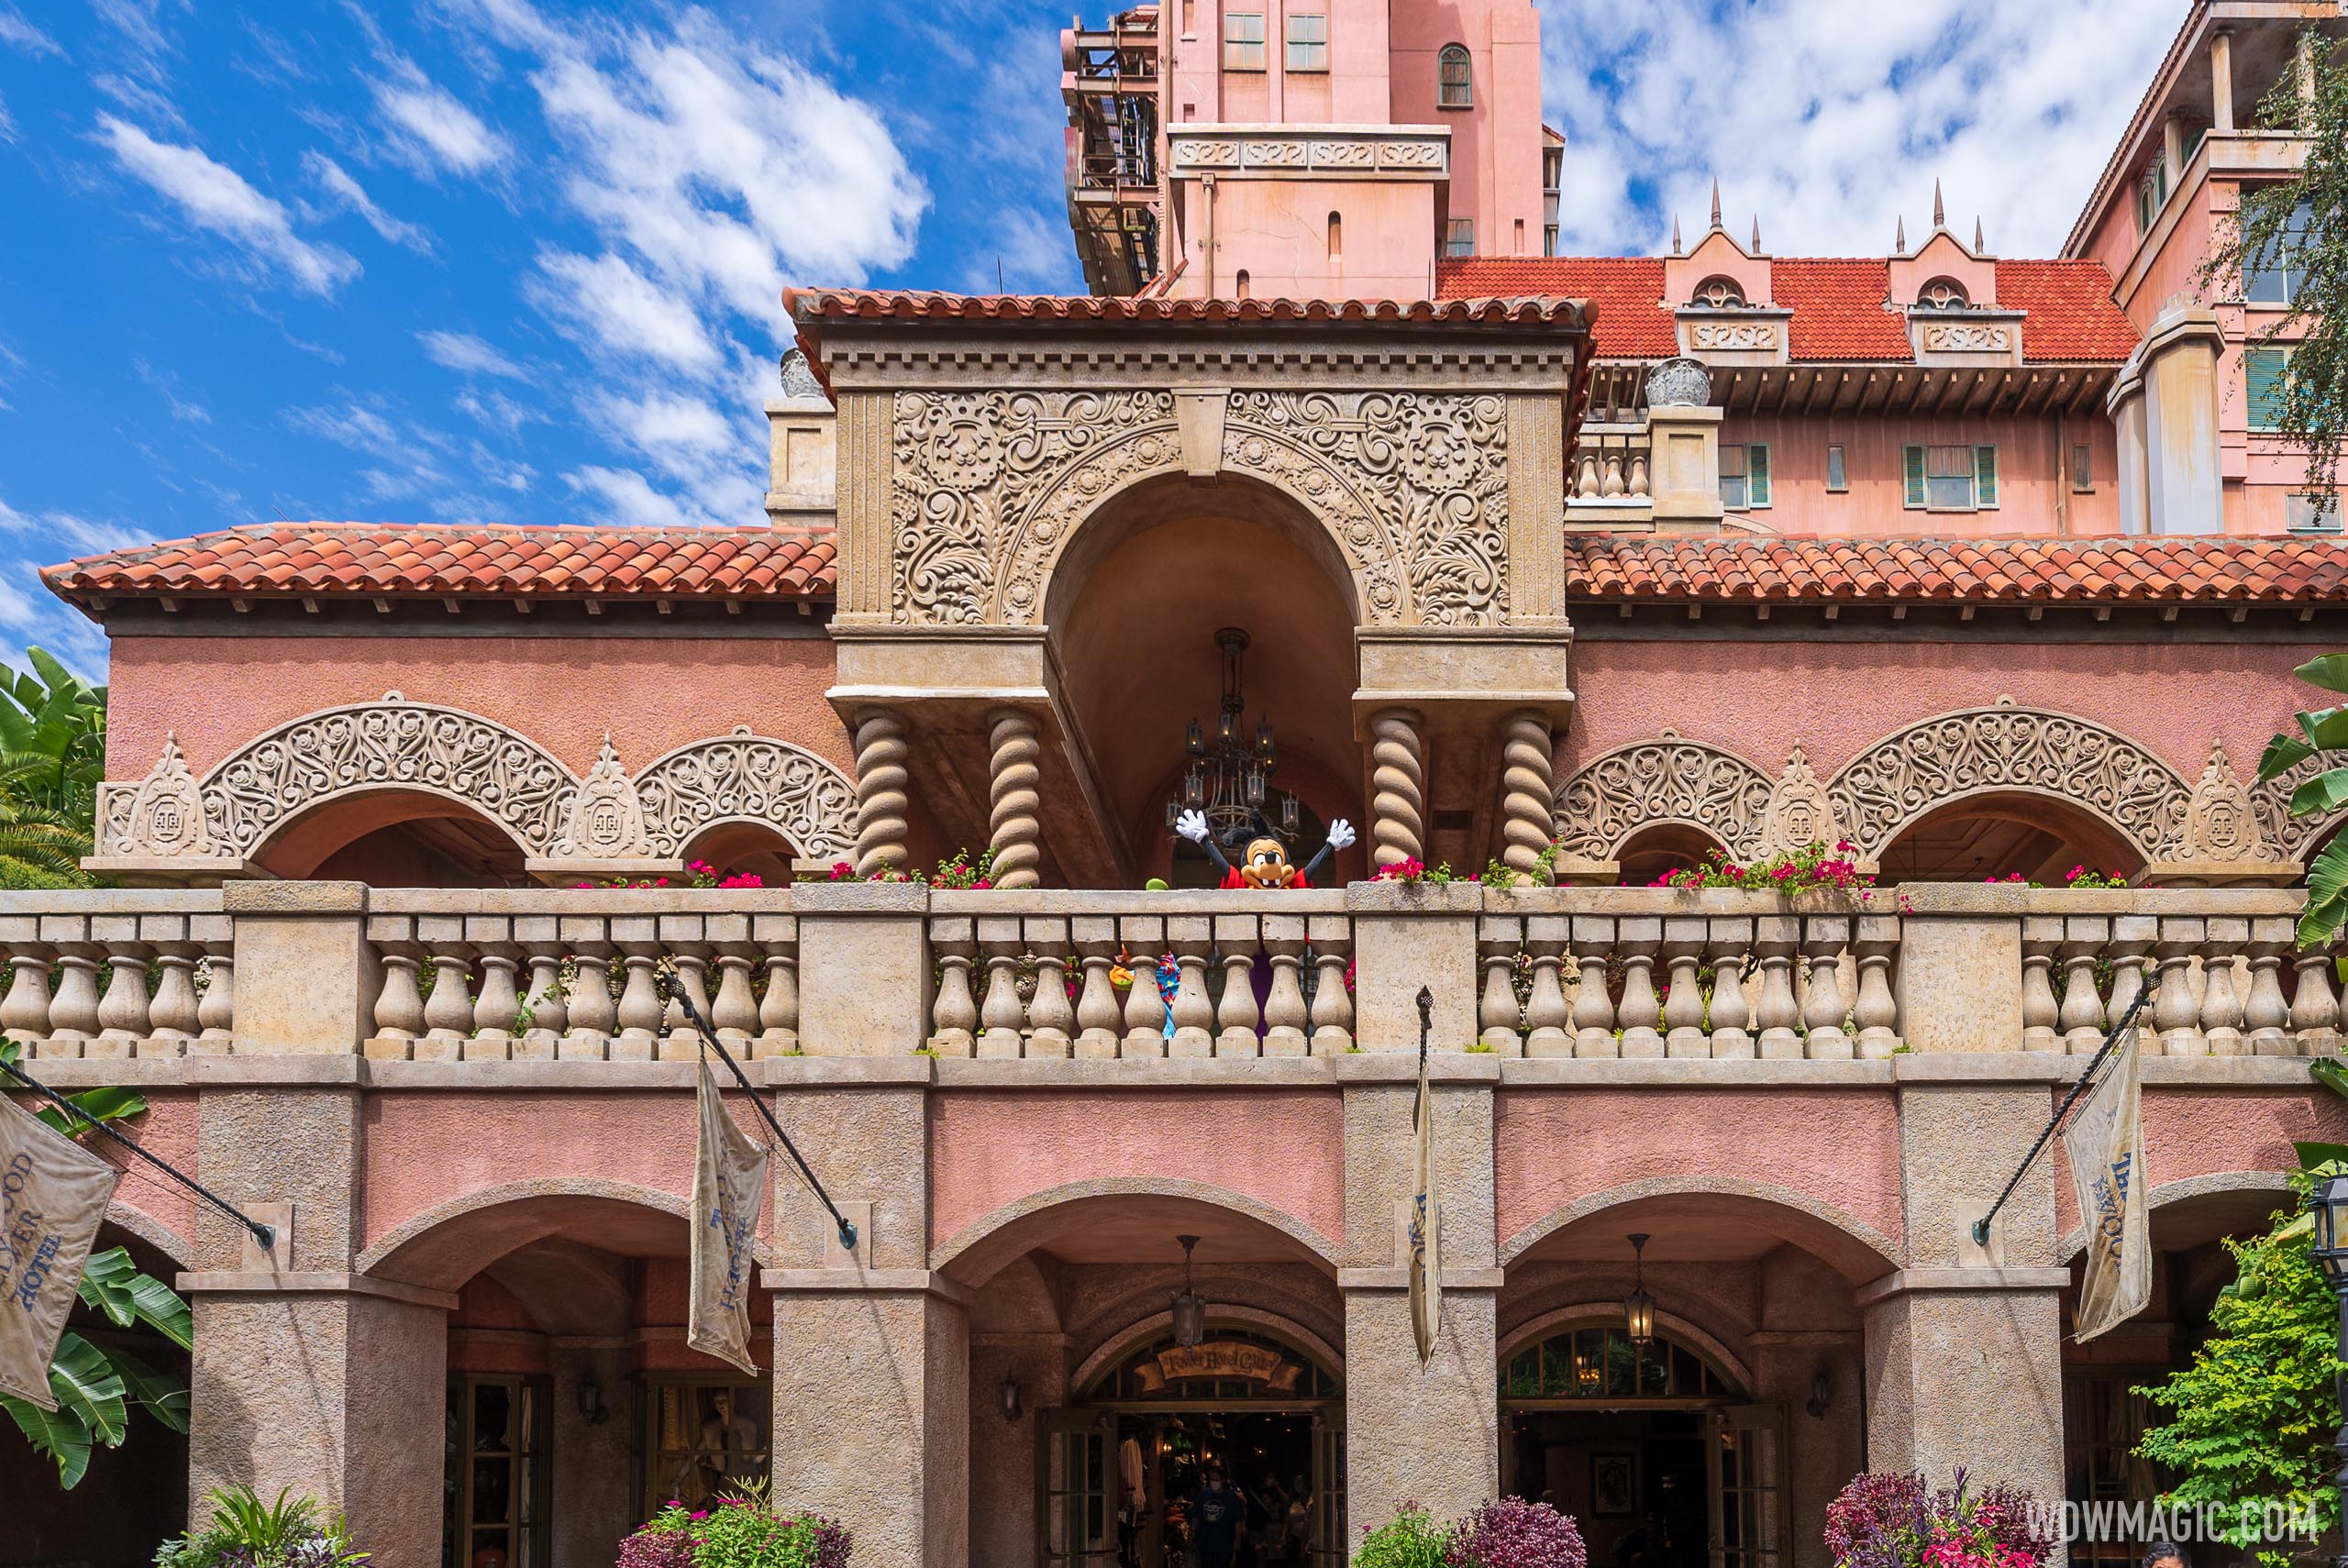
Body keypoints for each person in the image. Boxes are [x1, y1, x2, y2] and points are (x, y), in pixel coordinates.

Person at [1188, 1464, 1246, 1568]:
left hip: (1224, 1543)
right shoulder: (1203, 1494)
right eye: (1212, 1479)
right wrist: (1191, 1535)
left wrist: (1237, 1540)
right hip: (1205, 1542)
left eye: (1216, 1480)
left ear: (1223, 1480)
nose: (1214, 1482)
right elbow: (1195, 1517)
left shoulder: (1231, 1497)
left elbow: (1238, 1520)